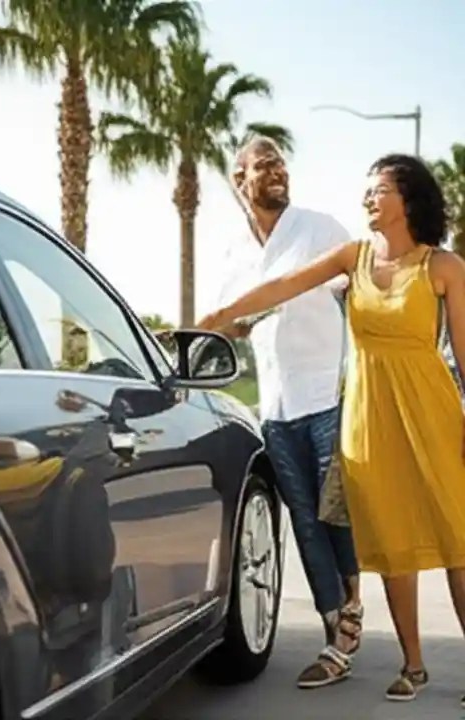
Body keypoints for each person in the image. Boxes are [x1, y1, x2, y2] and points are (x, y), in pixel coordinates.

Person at [198, 153, 465, 703]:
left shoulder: (444, 267)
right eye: (366, 189)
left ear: (407, 198)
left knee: (458, 543)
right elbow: (280, 287)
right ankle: (413, 666)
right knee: (392, 546)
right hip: (369, 423)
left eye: (379, 189)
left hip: (432, 417)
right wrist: (216, 317)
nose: (368, 198)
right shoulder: (352, 257)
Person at [212, 136, 362, 688]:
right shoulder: (234, 252)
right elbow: (235, 320)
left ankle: (349, 614)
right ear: (240, 180)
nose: (277, 170)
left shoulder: (321, 228)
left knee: (334, 514)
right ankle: (336, 626)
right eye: (264, 164)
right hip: (275, 406)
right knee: (302, 521)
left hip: (328, 395)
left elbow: (357, 299)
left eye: (281, 162)